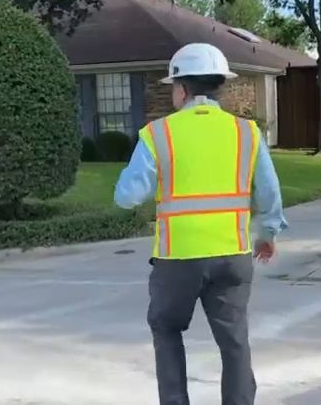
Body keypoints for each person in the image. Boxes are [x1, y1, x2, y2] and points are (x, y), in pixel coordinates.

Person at [113, 42, 289, 405]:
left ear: (181, 88)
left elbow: (127, 196)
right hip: (233, 254)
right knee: (234, 341)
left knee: (166, 329)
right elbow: (269, 193)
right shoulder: (247, 133)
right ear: (219, 85)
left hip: (178, 257)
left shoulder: (158, 134)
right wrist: (267, 234)